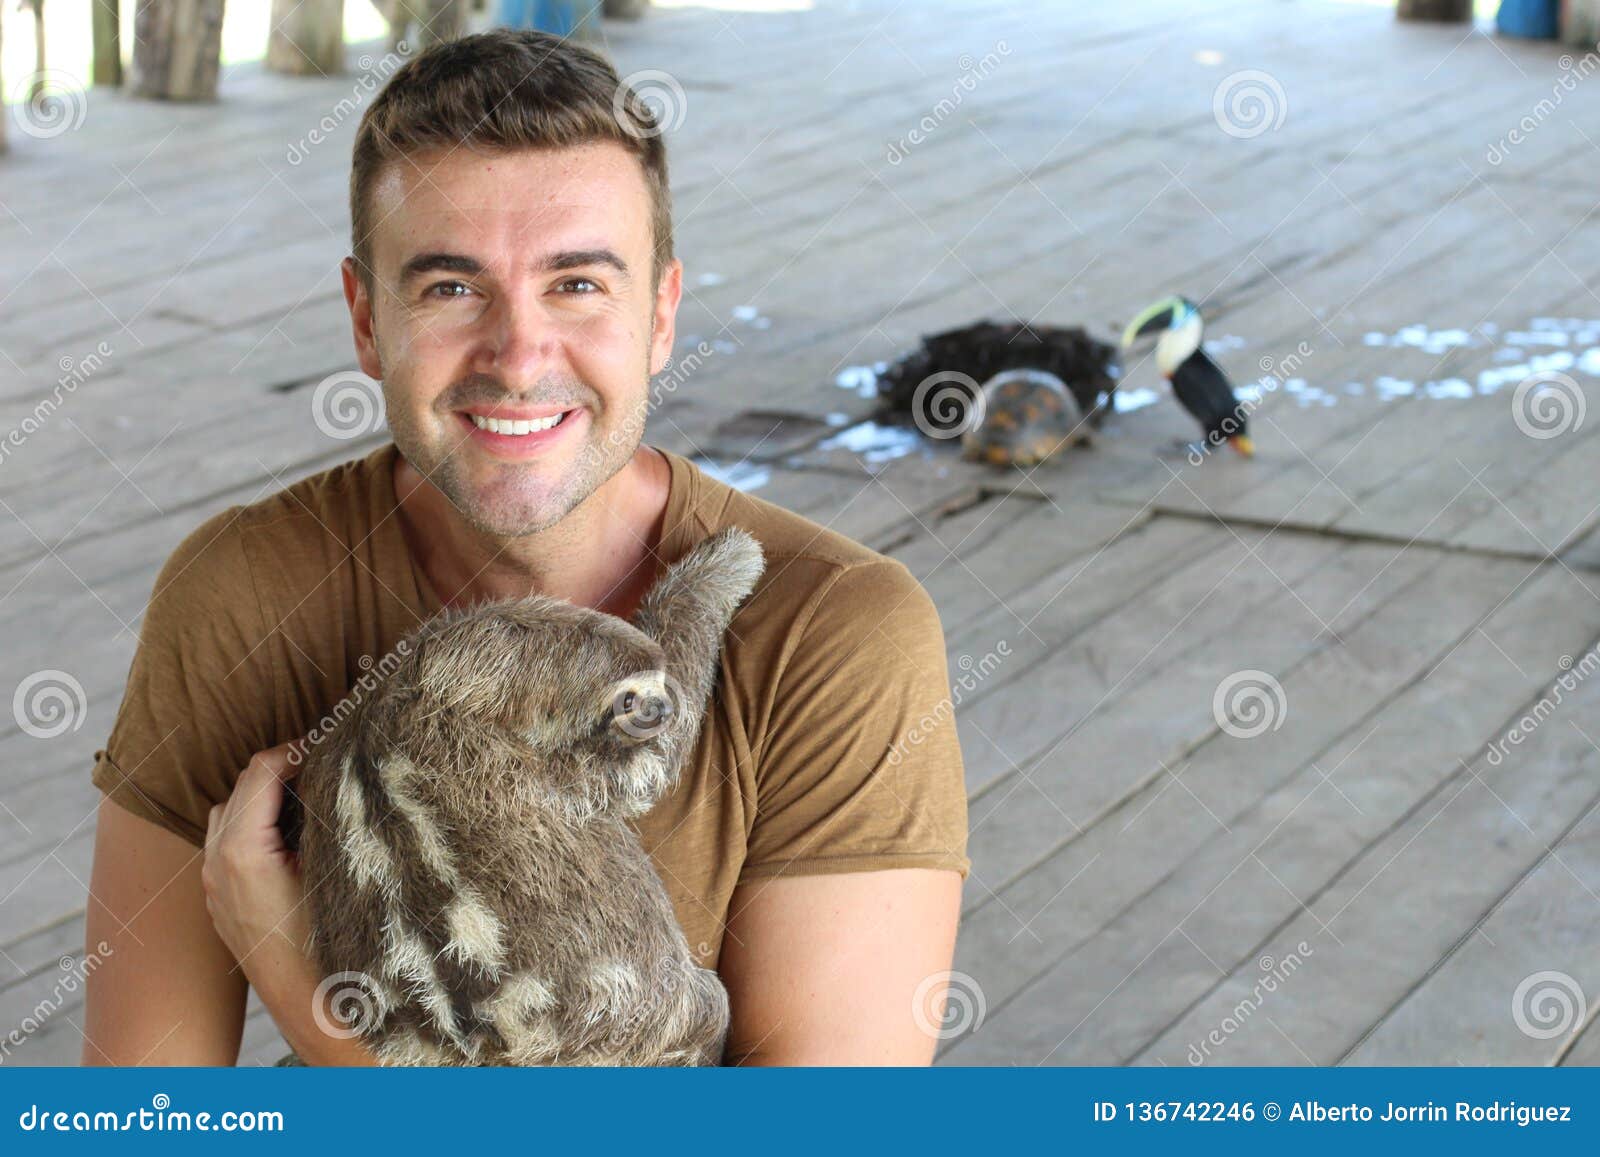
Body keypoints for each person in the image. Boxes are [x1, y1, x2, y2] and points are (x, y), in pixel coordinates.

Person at [82, 29, 969, 1066]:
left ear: (661, 315)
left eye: (577, 284)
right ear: (366, 320)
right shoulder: (244, 592)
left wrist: (292, 970)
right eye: (451, 289)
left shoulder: (834, 630)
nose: (517, 357)